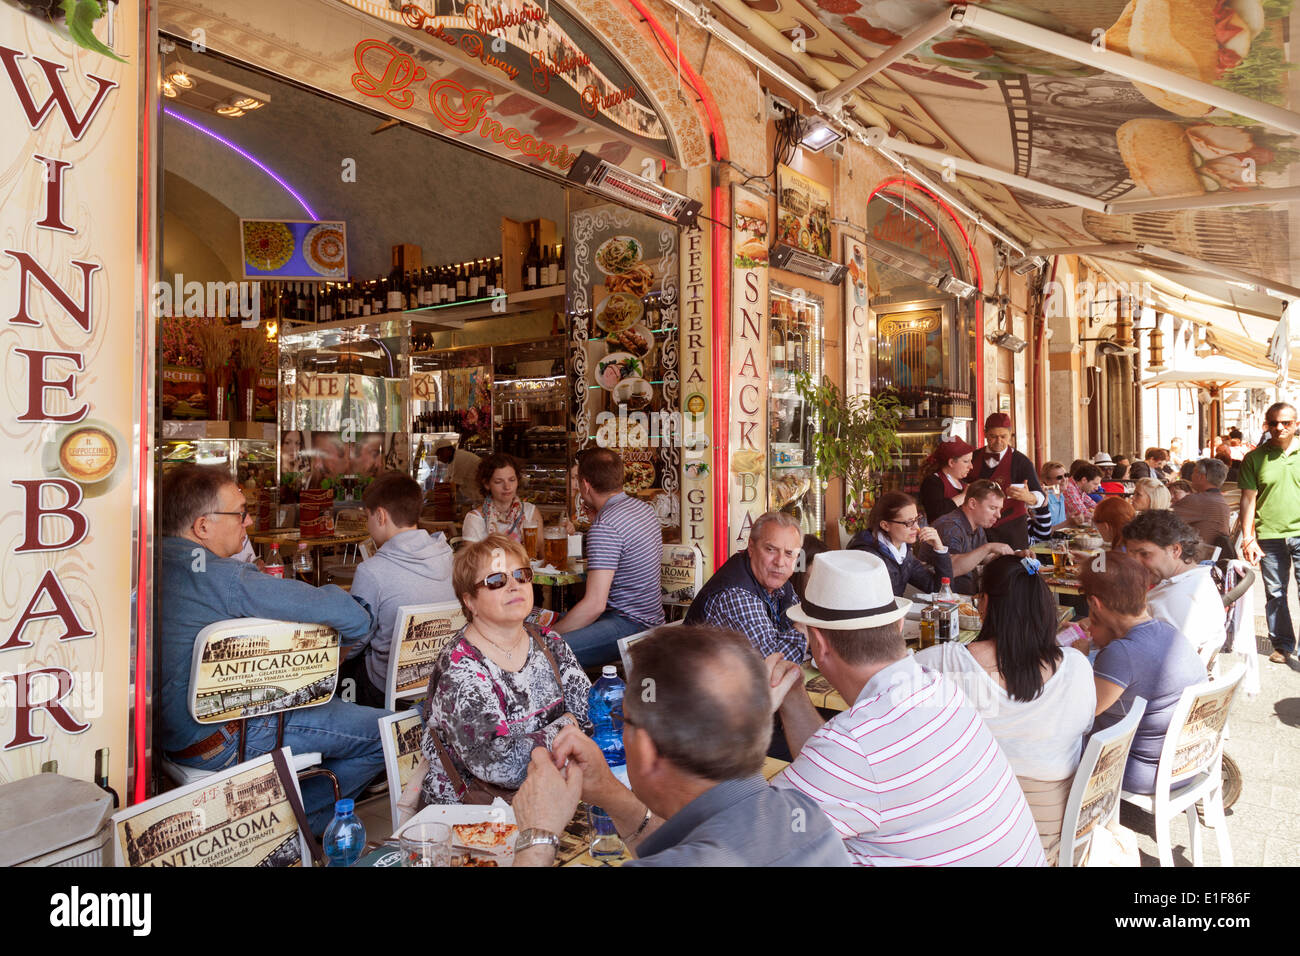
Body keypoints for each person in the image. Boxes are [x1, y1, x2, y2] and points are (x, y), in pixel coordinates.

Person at [766, 549, 1045, 865]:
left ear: (819, 643)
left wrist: (747, 723)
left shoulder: (855, 748)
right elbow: (844, 774)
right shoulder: (941, 689)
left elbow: (748, 840)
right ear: (898, 626)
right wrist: (793, 697)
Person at [157, 464, 388, 835]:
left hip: (166, 739)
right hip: (228, 734)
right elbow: (353, 617)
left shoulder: (146, 564)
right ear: (202, 526)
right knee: (391, 729)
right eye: (240, 513)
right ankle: (284, 831)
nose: (247, 522)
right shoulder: (225, 577)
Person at [508, 625, 851, 866]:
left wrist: (538, 836)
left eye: (624, 722)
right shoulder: (806, 816)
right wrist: (610, 792)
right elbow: (696, 849)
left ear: (645, 747)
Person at [916, 556, 1095, 865]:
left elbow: (884, 689)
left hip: (978, 835)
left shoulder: (945, 663)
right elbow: (1085, 725)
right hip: (1058, 833)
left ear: (985, 603)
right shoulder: (1077, 665)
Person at [418, 535, 592, 805]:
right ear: (470, 601)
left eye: (521, 575)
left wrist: (569, 728)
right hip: (476, 818)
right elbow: (503, 765)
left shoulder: (549, 641)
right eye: (496, 580)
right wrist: (568, 724)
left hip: (551, 793)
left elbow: (592, 715)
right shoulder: (459, 667)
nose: (514, 586)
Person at [1082, 552, 1206, 794]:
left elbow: (1081, 718)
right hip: (1189, 760)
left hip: (1143, 770)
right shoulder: (1168, 632)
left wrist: (1080, 658)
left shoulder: (1121, 653)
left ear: (1095, 604)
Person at [344, 471, 455, 707]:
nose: (368, 524)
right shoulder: (450, 558)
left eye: (368, 517)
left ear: (381, 516)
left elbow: (355, 640)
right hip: (443, 682)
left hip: (388, 691)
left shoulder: (372, 571)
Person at [553, 448, 664, 667]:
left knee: (543, 651)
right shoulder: (643, 508)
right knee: (547, 619)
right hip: (651, 618)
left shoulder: (606, 525)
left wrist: (548, 636)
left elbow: (595, 605)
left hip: (630, 626)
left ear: (585, 485)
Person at [684, 511, 805, 661]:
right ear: (751, 547)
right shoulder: (735, 594)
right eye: (770, 549)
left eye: (788, 554)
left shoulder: (779, 583)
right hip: (696, 681)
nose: (780, 562)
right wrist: (806, 630)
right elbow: (772, 663)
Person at [1239, 402, 1300, 664]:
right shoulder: (1255, 458)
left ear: (1296, 424)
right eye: (1273, 423)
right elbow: (1248, 500)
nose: (1279, 428)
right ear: (1267, 424)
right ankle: (1283, 645)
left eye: (1285, 422)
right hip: (1269, 535)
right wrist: (1248, 537)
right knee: (1275, 593)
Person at [1122, 510, 1226, 659]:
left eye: (1144, 554)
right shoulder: (1196, 579)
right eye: (1131, 555)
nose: (1135, 564)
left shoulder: (1179, 600)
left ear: (1175, 550)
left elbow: (1161, 662)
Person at [847, 492, 953, 596]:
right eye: (909, 523)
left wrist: (939, 549)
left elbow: (940, 590)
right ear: (885, 525)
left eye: (917, 520)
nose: (916, 528)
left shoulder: (903, 551)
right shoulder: (867, 555)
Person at [920, 479, 1015, 594]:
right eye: (993, 508)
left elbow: (983, 558)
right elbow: (950, 568)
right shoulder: (950, 526)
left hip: (962, 598)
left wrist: (1015, 556)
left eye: (999, 509)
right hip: (940, 601)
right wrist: (988, 547)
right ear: (972, 504)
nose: (998, 515)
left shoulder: (977, 526)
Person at [972, 413, 1045, 550]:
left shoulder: (1021, 461)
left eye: (1003, 436)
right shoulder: (973, 457)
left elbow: (1041, 496)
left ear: (1010, 435)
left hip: (1012, 528)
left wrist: (1028, 497)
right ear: (985, 434)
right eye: (993, 436)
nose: (998, 441)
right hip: (978, 529)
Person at [461, 453, 540, 544]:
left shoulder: (530, 512)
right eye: (498, 482)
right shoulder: (476, 519)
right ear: (487, 484)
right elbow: (471, 558)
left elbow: (541, 555)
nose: (507, 487)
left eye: (512, 480)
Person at [1173, 458, 1231, 550]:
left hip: (1197, 556)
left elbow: (1165, 520)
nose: (1191, 476)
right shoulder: (1222, 502)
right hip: (1210, 555)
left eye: (1194, 472)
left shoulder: (1197, 500)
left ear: (1201, 476)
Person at [917, 437, 974, 523]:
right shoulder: (932, 482)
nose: (971, 466)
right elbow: (936, 512)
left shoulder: (963, 484)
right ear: (951, 462)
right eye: (966, 461)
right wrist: (963, 496)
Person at [435, 441, 483, 509]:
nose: (438, 459)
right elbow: (447, 482)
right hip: (478, 499)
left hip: (483, 498)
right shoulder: (452, 460)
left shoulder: (460, 458)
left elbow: (454, 486)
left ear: (446, 451)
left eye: (439, 455)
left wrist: (440, 500)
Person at [1040, 461, 1069, 529]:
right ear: (1047, 481)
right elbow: (1044, 532)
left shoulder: (1061, 495)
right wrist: (1069, 522)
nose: (1064, 479)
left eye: (1066, 475)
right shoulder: (1044, 499)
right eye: (1059, 477)